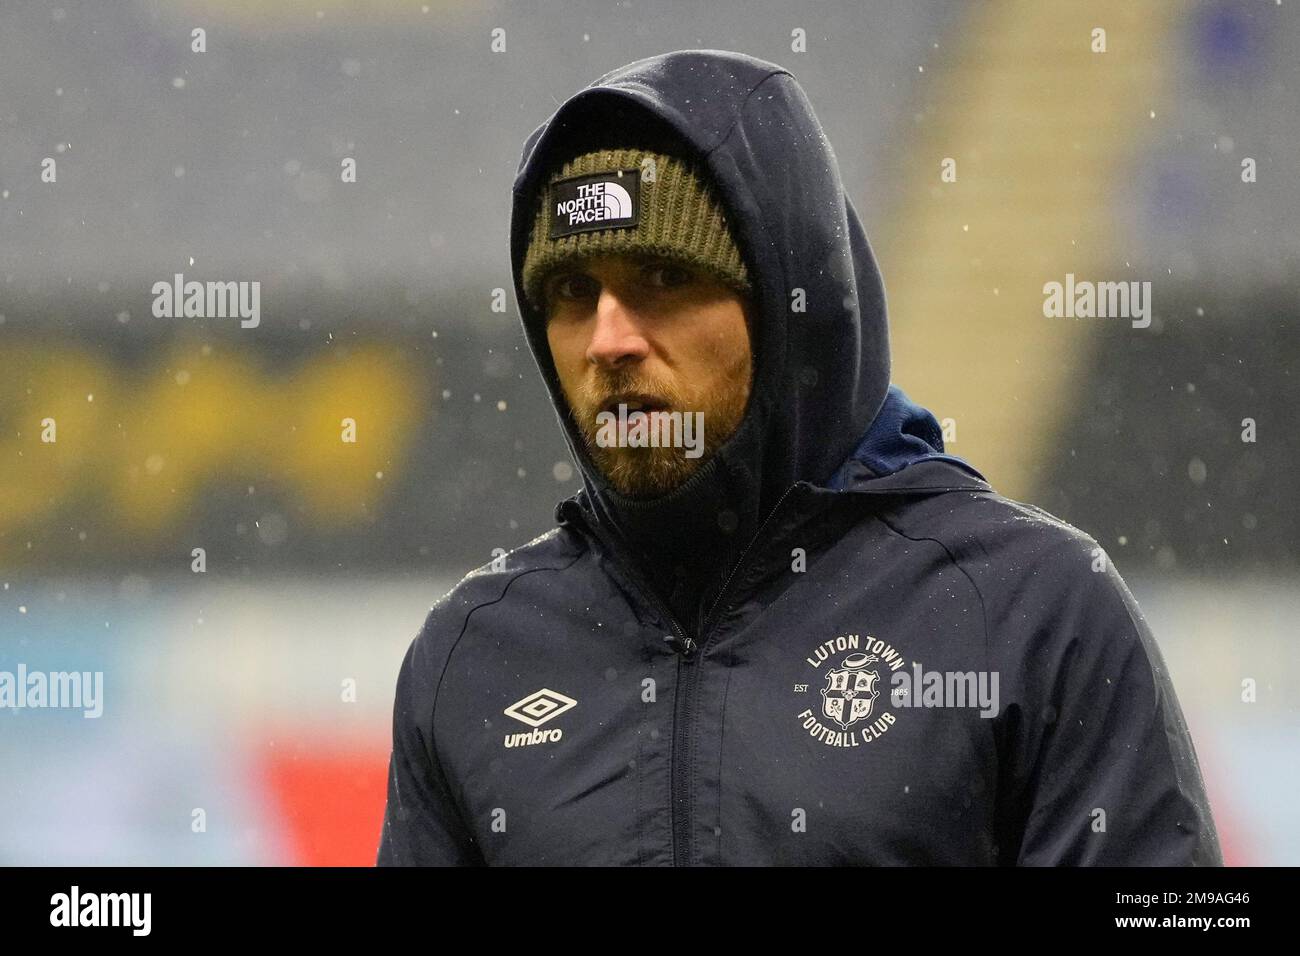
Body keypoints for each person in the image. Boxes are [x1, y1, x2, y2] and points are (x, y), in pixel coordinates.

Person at [376, 49, 1222, 866]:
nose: (609, 339)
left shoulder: (1033, 615)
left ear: (792, 304)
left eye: (664, 279)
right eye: (571, 292)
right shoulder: (473, 658)